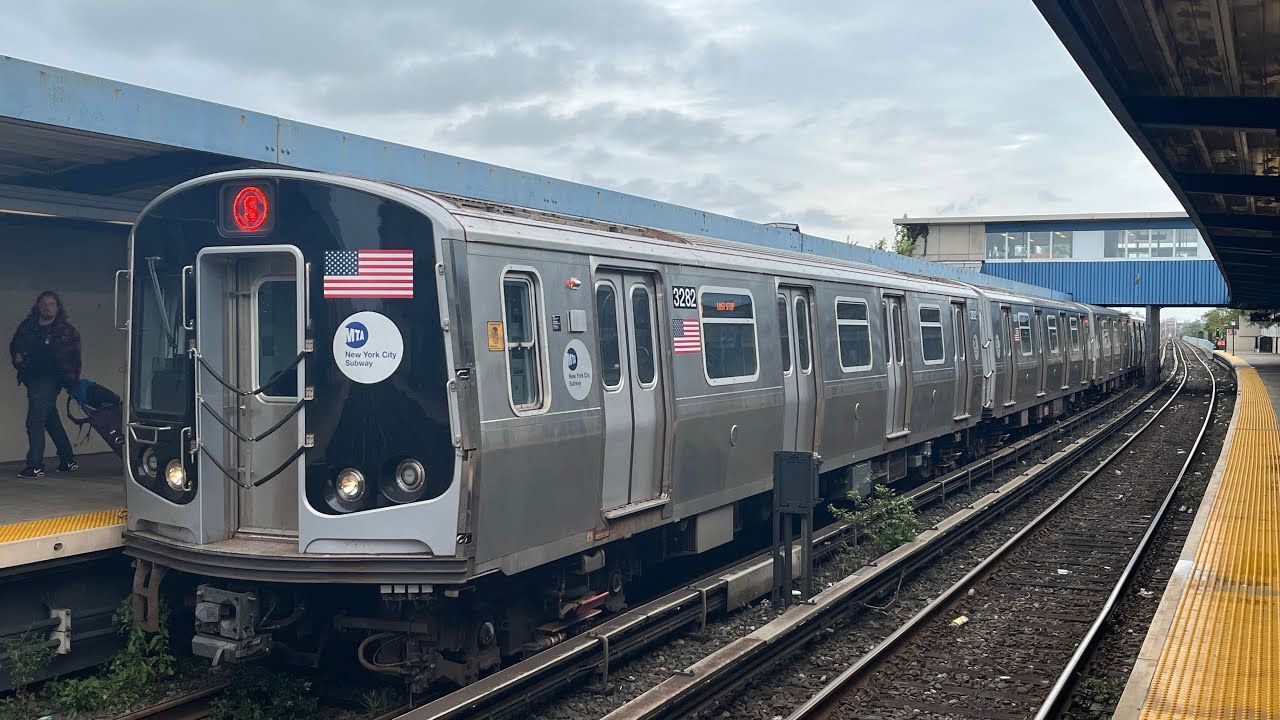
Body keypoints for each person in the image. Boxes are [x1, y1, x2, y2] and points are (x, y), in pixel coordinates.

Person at [9, 291, 80, 477]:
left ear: (57, 308)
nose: (46, 307)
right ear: (37, 306)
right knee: (50, 419)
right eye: (43, 303)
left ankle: (35, 464)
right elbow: (15, 345)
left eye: (50, 304)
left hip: (51, 379)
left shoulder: (66, 330)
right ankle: (68, 459)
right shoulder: (28, 326)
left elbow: (73, 358)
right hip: (31, 378)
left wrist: (70, 381)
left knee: (34, 420)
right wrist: (17, 358)